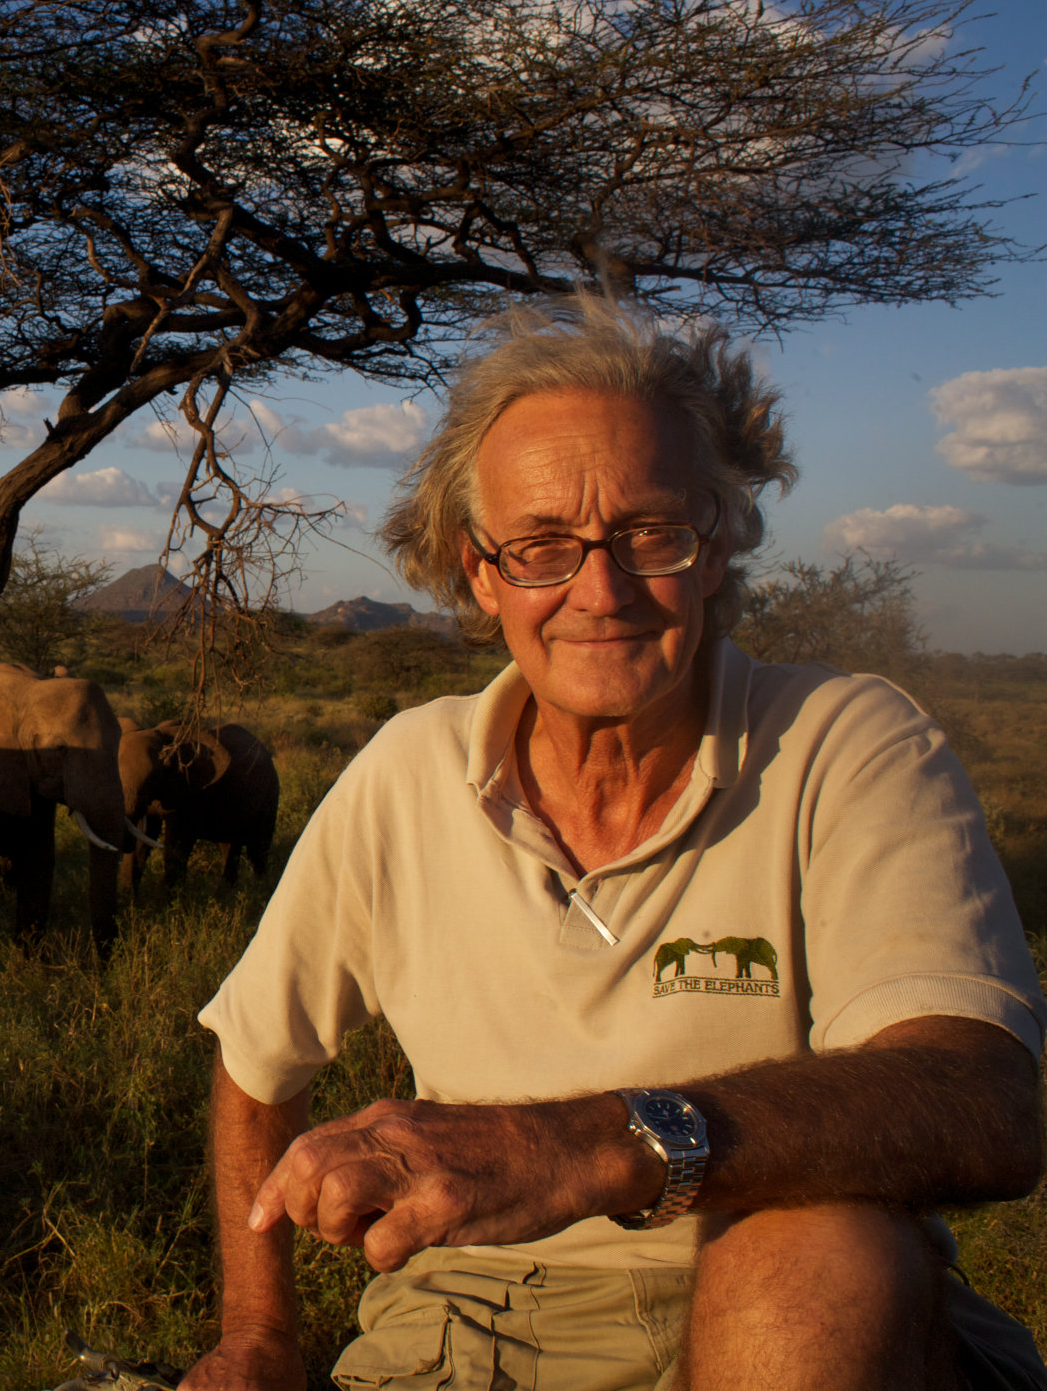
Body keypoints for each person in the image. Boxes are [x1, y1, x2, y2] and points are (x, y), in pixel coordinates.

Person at [184, 297, 1047, 1390]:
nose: (601, 592)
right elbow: (256, 1066)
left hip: (786, 1311)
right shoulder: (407, 773)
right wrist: (257, 1335)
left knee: (810, 1246)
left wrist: (587, 1145)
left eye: (649, 533)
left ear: (719, 541)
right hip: (464, 1323)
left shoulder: (848, 742)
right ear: (481, 572)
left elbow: (981, 1101)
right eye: (542, 547)